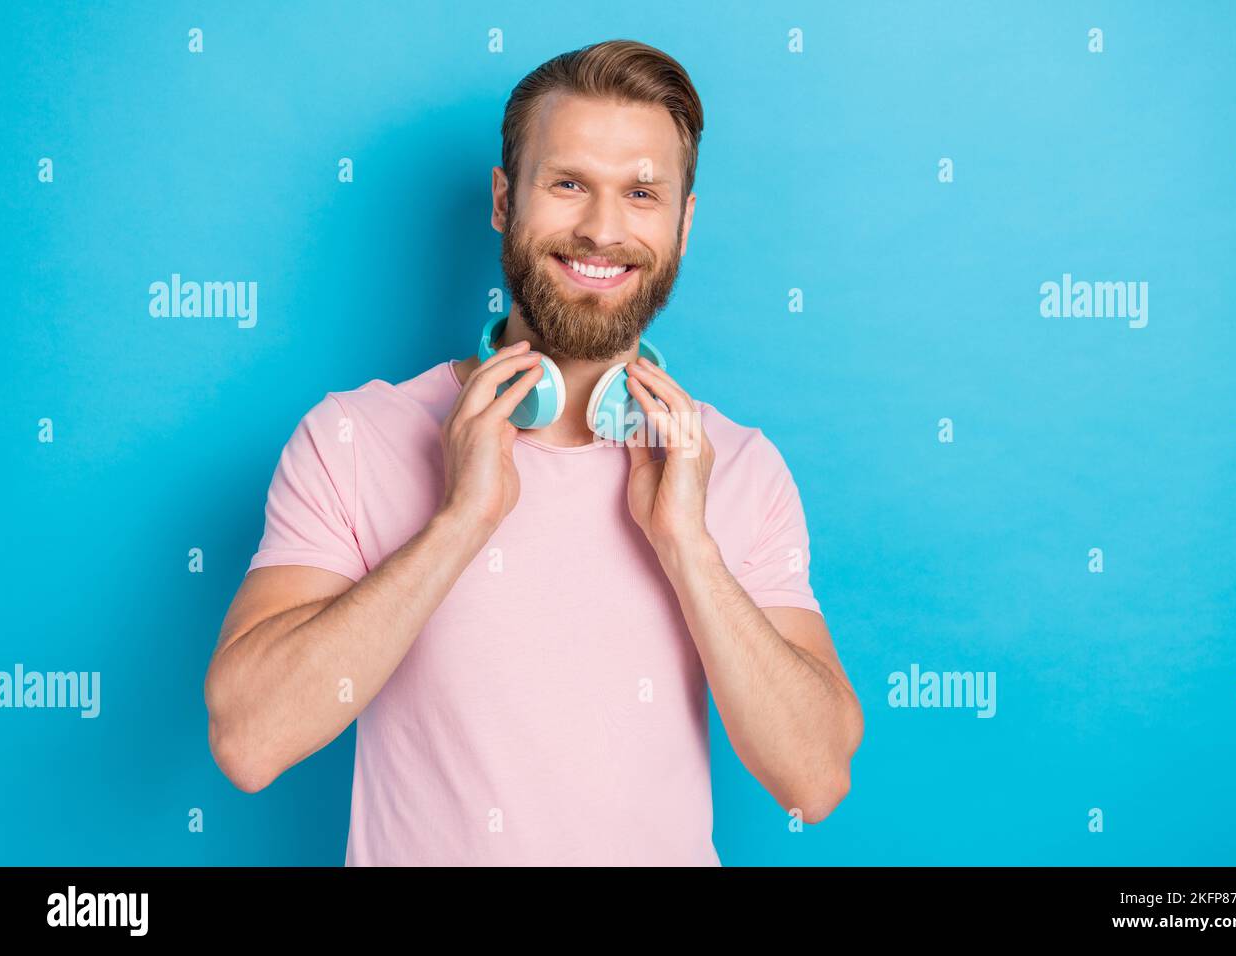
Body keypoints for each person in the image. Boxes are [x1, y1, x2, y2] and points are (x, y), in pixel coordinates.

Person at [204, 39, 863, 866]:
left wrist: (688, 547)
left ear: (684, 224)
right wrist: (458, 523)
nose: (602, 229)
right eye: (568, 184)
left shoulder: (738, 466)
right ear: (503, 198)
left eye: (642, 194)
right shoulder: (352, 439)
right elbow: (248, 741)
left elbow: (816, 778)